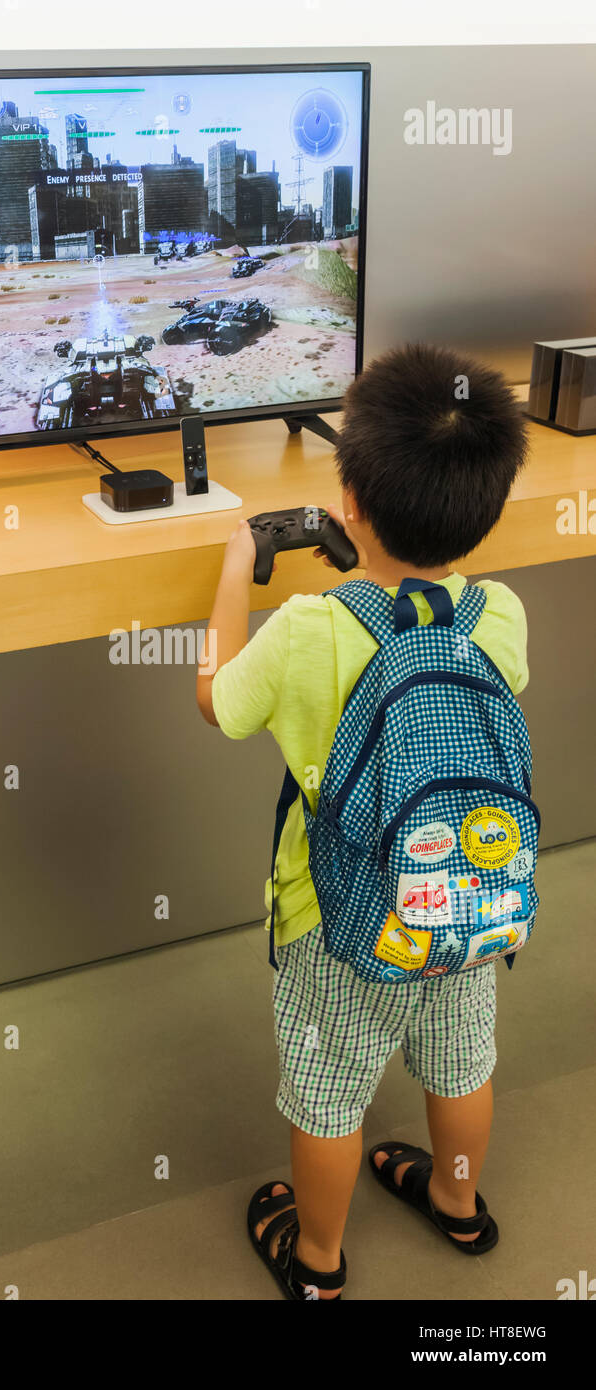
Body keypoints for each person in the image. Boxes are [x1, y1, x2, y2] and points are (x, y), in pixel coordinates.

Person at [196, 343, 529, 1300]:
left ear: (348, 498)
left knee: (331, 1095)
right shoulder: (498, 614)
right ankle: (460, 1210)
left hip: (340, 920)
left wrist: (236, 567)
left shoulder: (308, 627)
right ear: (487, 503)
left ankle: (317, 1263)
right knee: (464, 1063)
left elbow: (218, 705)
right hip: (468, 896)